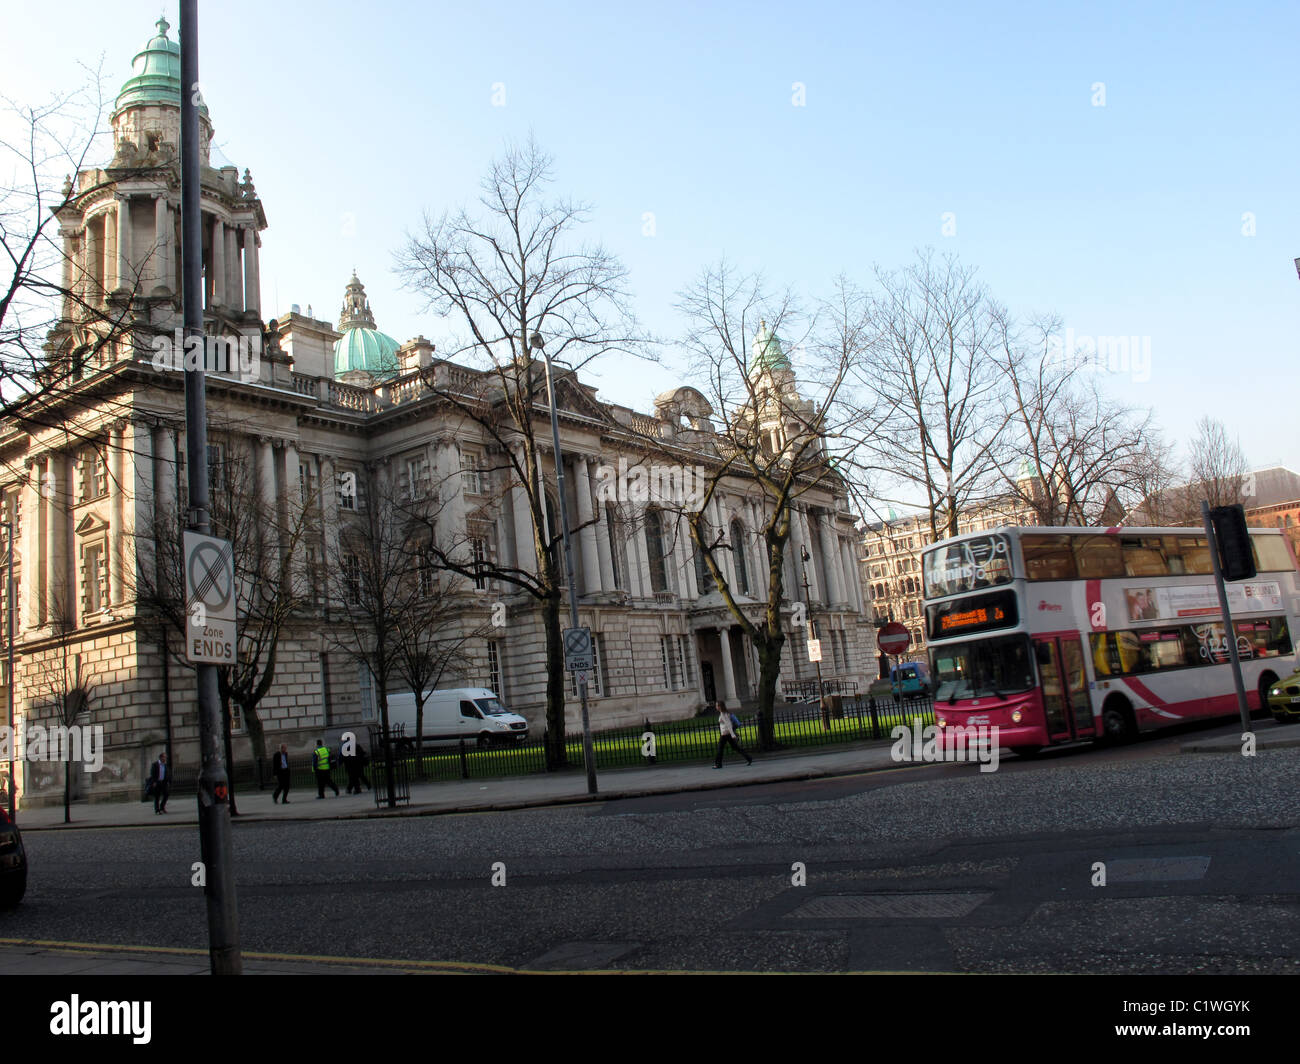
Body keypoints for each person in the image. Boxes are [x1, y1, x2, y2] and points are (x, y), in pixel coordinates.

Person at [713, 700, 752, 769]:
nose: (716, 707)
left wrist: (733, 734)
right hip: (727, 734)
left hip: (725, 734)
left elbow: (728, 725)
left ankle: (718, 764)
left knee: (720, 749)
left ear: (720, 706)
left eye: (717, 705)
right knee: (736, 748)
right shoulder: (724, 713)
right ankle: (749, 758)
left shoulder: (723, 714)